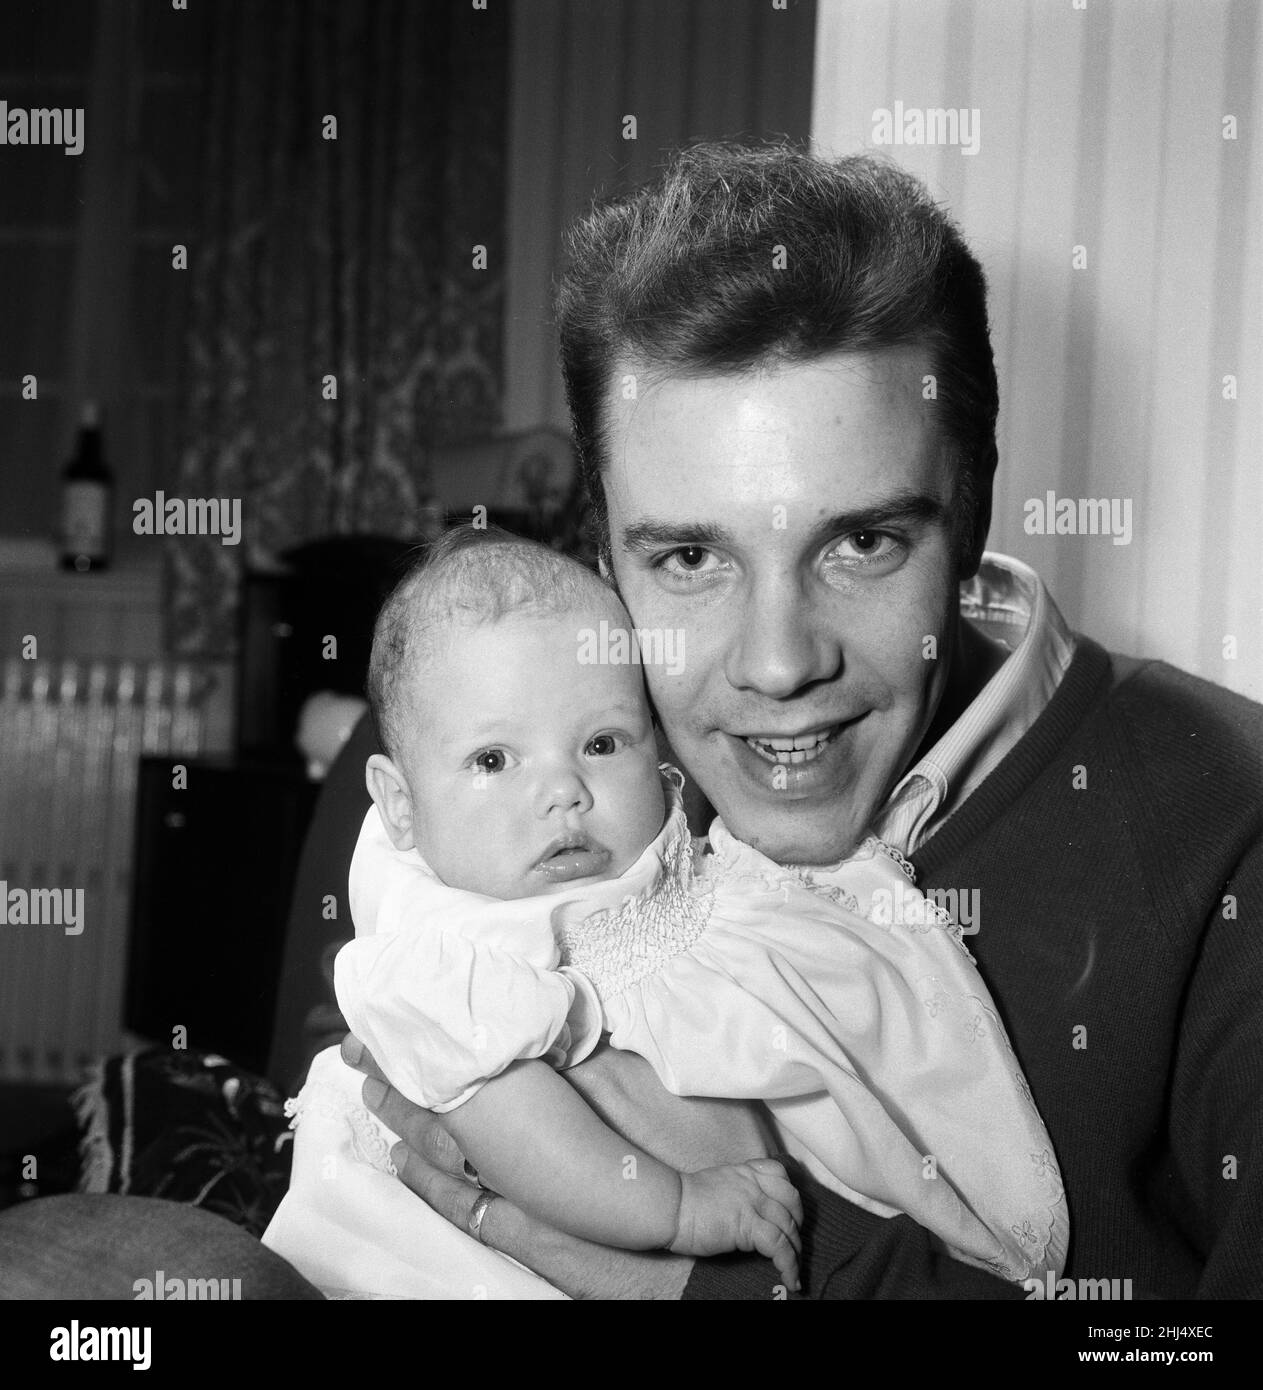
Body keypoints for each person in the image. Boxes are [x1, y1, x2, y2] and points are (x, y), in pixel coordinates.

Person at [340, 143, 1263, 1300]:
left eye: (863, 542)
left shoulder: (1229, 812)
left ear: (973, 503)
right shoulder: (502, 778)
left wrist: (742, 1281)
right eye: (687, 556)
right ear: (603, 537)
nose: (777, 666)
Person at [261, 526, 1067, 1298]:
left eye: (602, 743)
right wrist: (681, 1207)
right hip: (444, 1260)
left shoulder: (689, 857)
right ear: (399, 806)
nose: (562, 790)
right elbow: (518, 1138)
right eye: (493, 760)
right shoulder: (453, 960)